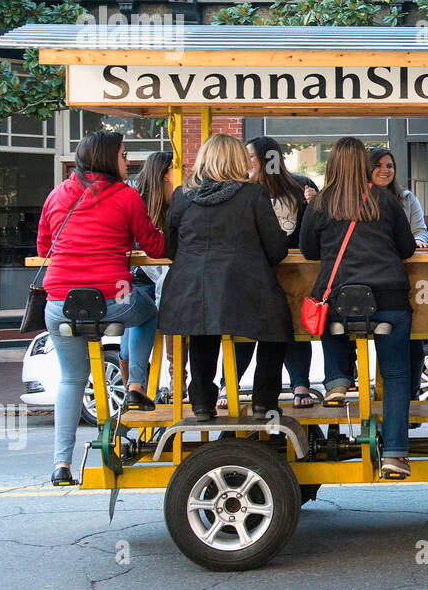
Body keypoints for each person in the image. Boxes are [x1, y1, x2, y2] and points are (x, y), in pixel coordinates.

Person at [37, 131, 165, 485]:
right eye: (124, 155)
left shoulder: (57, 193)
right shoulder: (126, 196)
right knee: (149, 311)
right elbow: (153, 245)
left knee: (71, 378)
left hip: (60, 302)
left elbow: (43, 243)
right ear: (110, 159)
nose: (127, 161)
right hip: (114, 298)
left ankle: (61, 464)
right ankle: (136, 384)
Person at [300, 137, 417, 477]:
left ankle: (337, 379)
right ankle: (395, 454)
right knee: (395, 374)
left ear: (332, 164)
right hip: (390, 299)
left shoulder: (320, 202)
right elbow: (407, 248)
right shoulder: (386, 199)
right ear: (363, 166)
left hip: (341, 299)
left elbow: (308, 252)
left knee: (330, 313)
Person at [159, 134, 293, 421]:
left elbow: (171, 248)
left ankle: (202, 402)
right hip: (245, 287)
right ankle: (263, 402)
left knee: (202, 333)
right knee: (276, 329)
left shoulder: (183, 195)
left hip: (190, 289)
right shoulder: (252, 194)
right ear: (237, 161)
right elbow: (276, 250)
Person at [218, 136, 315, 407]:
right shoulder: (239, 190)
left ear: (268, 158)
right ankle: (229, 384)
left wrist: (312, 204)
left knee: (294, 328)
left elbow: (308, 234)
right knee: (245, 330)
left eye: (251, 156)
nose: (246, 161)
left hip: (292, 272)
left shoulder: (300, 186)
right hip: (251, 272)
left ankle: (300, 384)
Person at [368, 146, 428, 401]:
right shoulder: (358, 199)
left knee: (413, 346)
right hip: (372, 284)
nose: (385, 170)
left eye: (390, 166)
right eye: (379, 165)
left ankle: (410, 398)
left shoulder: (405, 198)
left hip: (405, 281)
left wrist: (418, 240)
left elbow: (421, 231)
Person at [119, 152, 173, 395]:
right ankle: (134, 385)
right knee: (138, 315)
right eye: (176, 170)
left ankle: (172, 382)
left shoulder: (177, 202)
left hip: (166, 276)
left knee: (168, 321)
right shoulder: (135, 201)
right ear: (163, 176)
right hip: (141, 276)